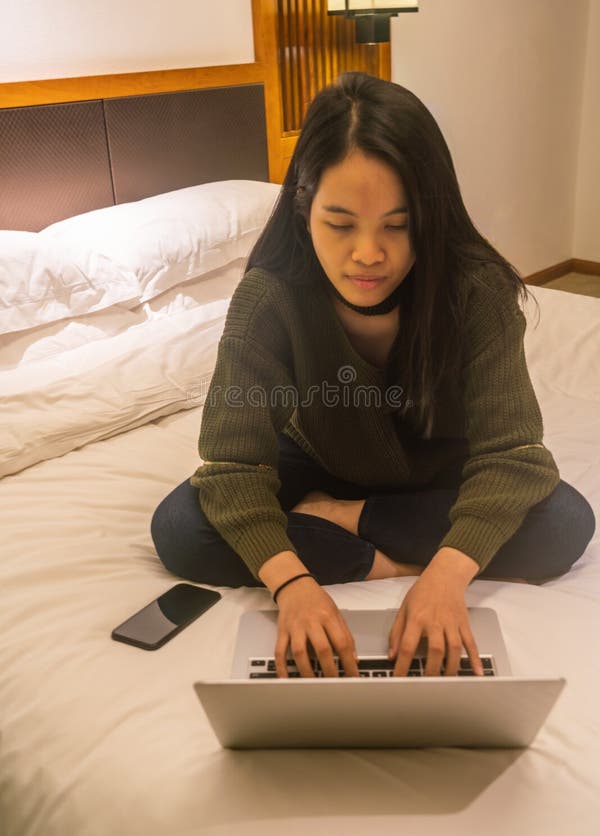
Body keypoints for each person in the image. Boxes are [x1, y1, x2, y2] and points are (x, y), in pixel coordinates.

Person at [151, 71, 595, 680]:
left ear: (430, 215)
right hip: (319, 457)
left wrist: (441, 578)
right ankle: (391, 550)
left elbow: (514, 456)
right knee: (181, 527)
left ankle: (349, 520)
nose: (367, 254)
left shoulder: (476, 291)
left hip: (440, 463)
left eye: (397, 223)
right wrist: (295, 587)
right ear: (305, 209)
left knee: (566, 521)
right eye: (340, 224)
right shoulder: (269, 296)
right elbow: (230, 466)